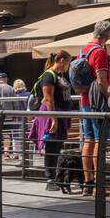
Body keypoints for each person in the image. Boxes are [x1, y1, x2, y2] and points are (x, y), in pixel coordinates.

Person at [77, 21, 110, 196]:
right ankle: (100, 187)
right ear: (105, 36)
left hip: (85, 101)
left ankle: (88, 184)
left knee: (88, 141)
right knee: (100, 142)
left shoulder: (84, 50)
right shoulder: (100, 52)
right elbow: (102, 81)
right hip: (98, 104)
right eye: (108, 37)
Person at [33, 51, 73, 190]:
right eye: (68, 62)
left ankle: (55, 177)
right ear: (61, 60)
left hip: (59, 114)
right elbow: (48, 98)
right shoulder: (49, 75)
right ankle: (50, 179)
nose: (69, 65)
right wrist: (54, 120)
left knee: (57, 146)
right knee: (51, 146)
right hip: (52, 114)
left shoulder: (59, 75)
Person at [9, 79, 29, 157]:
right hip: (28, 118)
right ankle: (29, 153)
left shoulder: (13, 96)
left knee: (16, 136)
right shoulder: (29, 94)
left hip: (17, 118)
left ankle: (16, 154)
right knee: (28, 135)